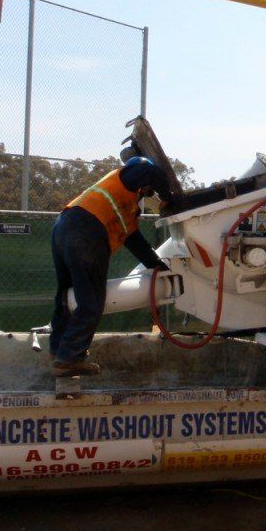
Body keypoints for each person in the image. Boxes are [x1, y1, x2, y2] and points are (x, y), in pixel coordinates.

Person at [50, 156, 172, 377]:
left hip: (64, 227)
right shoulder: (127, 178)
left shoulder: (124, 206)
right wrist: (167, 197)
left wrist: (157, 265)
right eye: (148, 189)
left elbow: (134, 241)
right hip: (87, 232)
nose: (148, 192)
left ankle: (58, 350)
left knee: (66, 295)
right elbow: (148, 169)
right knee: (91, 300)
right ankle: (69, 359)